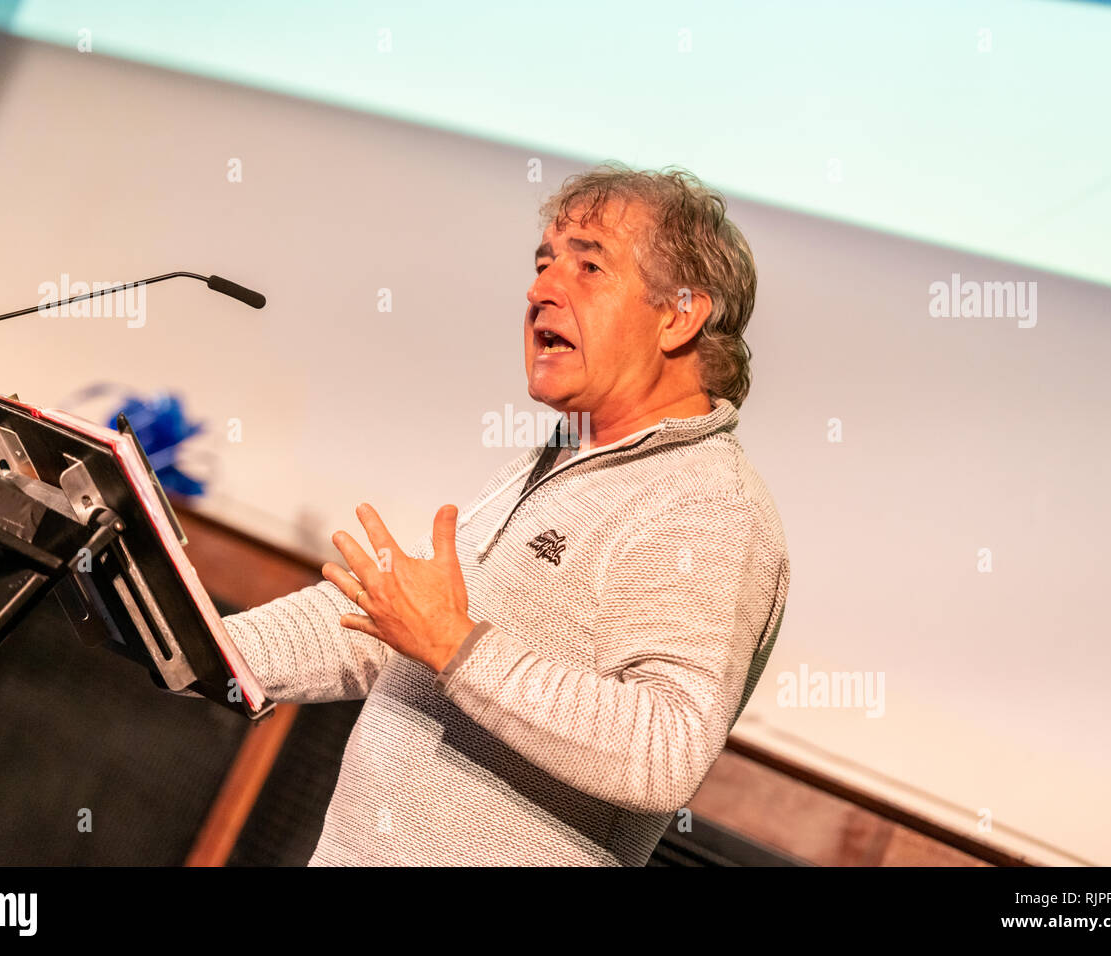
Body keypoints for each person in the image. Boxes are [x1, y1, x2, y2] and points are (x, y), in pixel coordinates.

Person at [222, 162, 790, 865]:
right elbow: (384, 629)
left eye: (588, 267)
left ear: (678, 314)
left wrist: (458, 650)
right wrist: (193, 641)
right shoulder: (570, 457)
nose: (541, 289)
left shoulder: (705, 507)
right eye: (544, 263)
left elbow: (664, 747)